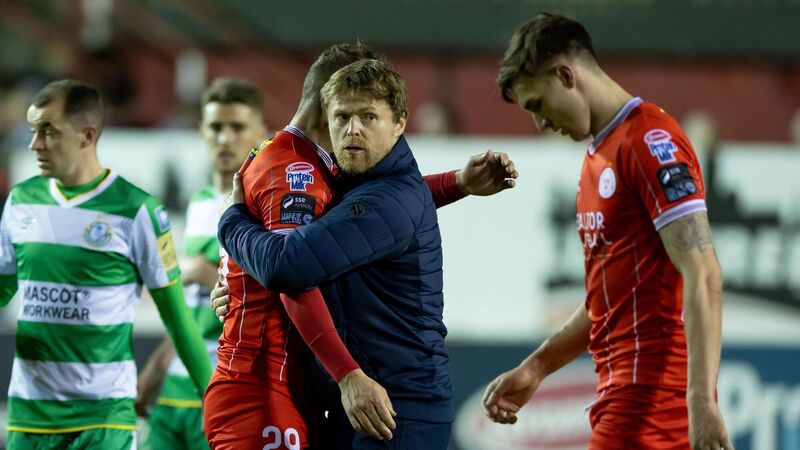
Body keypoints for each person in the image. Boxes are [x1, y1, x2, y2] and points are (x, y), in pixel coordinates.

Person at [481, 13, 733, 450]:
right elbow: (608, 301)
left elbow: (704, 270)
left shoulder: (651, 140)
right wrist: (539, 367)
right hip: (623, 394)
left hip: (655, 400)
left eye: (538, 105)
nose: (540, 125)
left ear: (565, 74)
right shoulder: (598, 156)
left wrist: (699, 399)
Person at [216, 58, 493, 450]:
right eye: (342, 116)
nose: (352, 129)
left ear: (400, 123)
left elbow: (286, 266)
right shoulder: (355, 180)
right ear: (324, 114)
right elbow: (349, 217)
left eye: (368, 116)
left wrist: (231, 223)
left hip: (392, 409)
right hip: (360, 401)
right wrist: (457, 182)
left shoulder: (379, 196)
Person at [0, 79, 212, 449]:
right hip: (28, 415)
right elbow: (3, 288)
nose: (35, 144)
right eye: (33, 131)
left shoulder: (137, 211)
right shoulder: (21, 201)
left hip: (104, 419)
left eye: (48, 131)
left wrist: (214, 400)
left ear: (86, 135)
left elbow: (178, 319)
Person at [135, 77, 267, 449]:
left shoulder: (264, 206)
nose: (225, 138)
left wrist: (200, 271)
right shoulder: (200, 202)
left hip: (226, 386)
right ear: (202, 131)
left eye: (237, 127)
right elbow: (189, 307)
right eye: (216, 127)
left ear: (260, 132)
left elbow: (272, 295)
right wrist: (158, 365)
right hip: (176, 387)